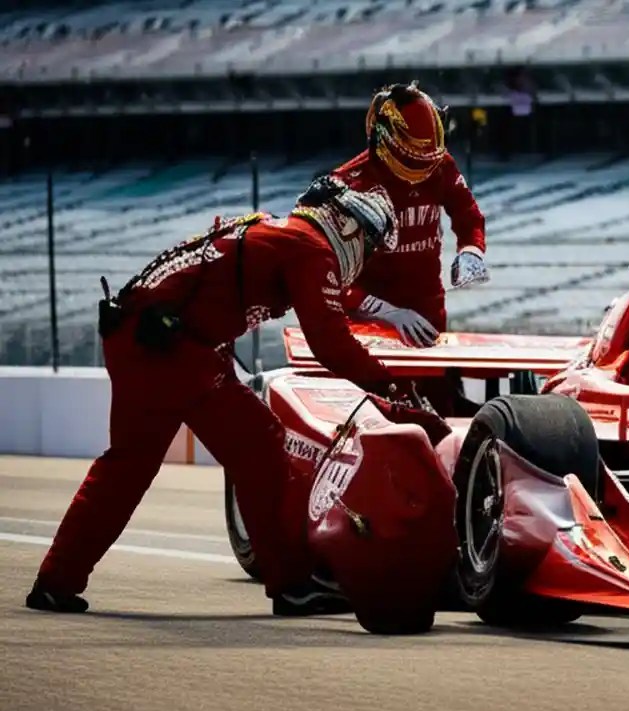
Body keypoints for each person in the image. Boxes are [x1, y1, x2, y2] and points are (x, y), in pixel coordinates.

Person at [26, 176, 433, 617]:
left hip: (143, 334)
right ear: (351, 228)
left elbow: (328, 299)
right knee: (260, 447)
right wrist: (391, 386)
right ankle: (292, 582)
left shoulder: (284, 233)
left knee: (127, 466)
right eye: (370, 246)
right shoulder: (311, 248)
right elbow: (330, 341)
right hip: (176, 349)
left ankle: (55, 581)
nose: (367, 258)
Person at [333, 80, 490, 348]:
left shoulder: (441, 164)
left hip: (427, 308)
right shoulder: (349, 184)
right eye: (413, 158)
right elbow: (328, 274)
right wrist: (384, 311)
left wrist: (471, 249)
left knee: (439, 387)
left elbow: (468, 213)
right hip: (369, 319)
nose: (423, 168)